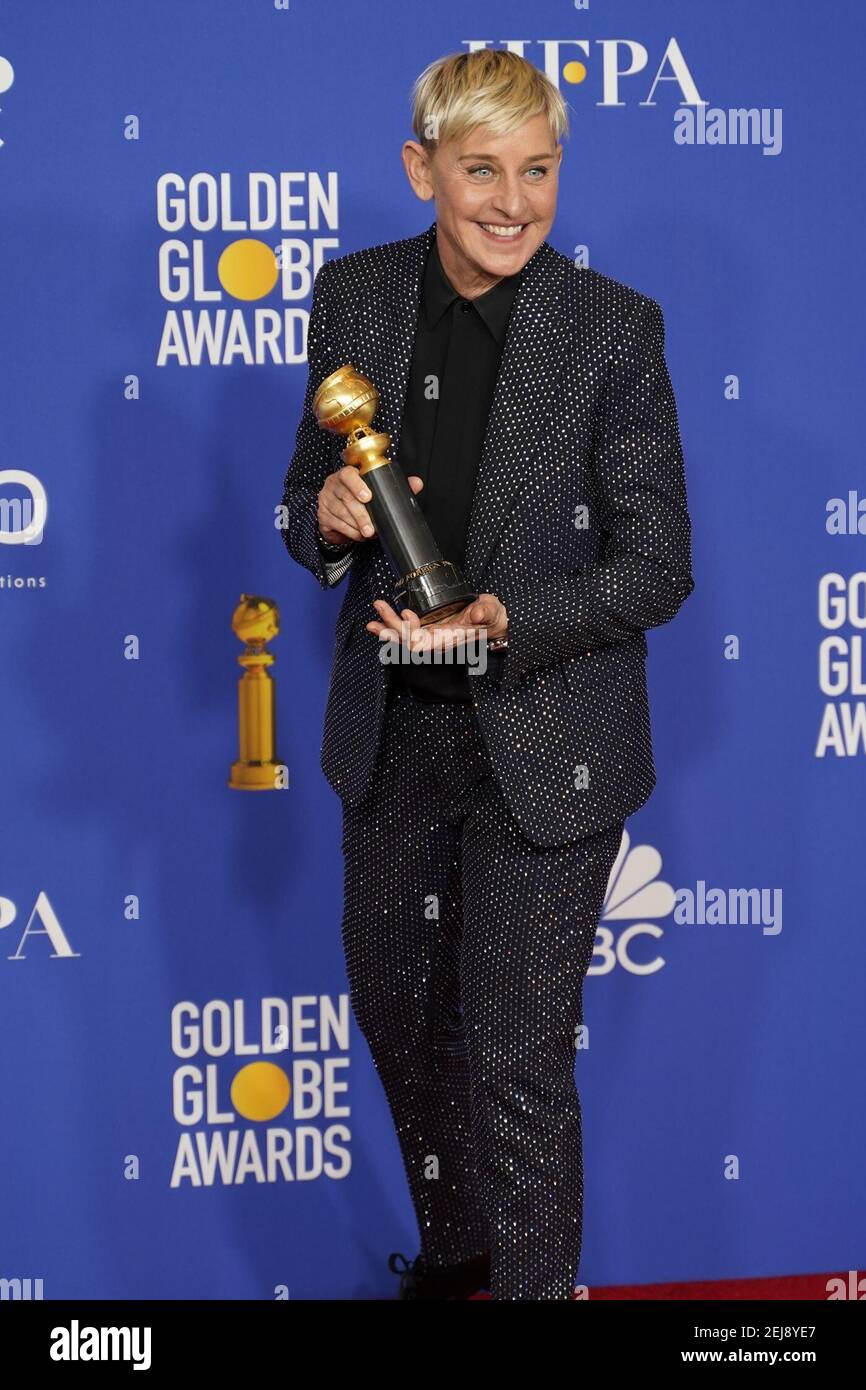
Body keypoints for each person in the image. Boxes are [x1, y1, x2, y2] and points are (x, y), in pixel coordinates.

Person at [279, 48, 694, 1301]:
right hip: (395, 727)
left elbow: (659, 565)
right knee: (402, 1025)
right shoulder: (350, 301)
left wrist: (514, 618)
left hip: (543, 735)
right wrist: (332, 517)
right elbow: (302, 504)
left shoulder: (612, 328)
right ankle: (461, 1265)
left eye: (537, 170)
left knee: (514, 1062)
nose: (512, 202)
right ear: (421, 171)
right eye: (479, 172)